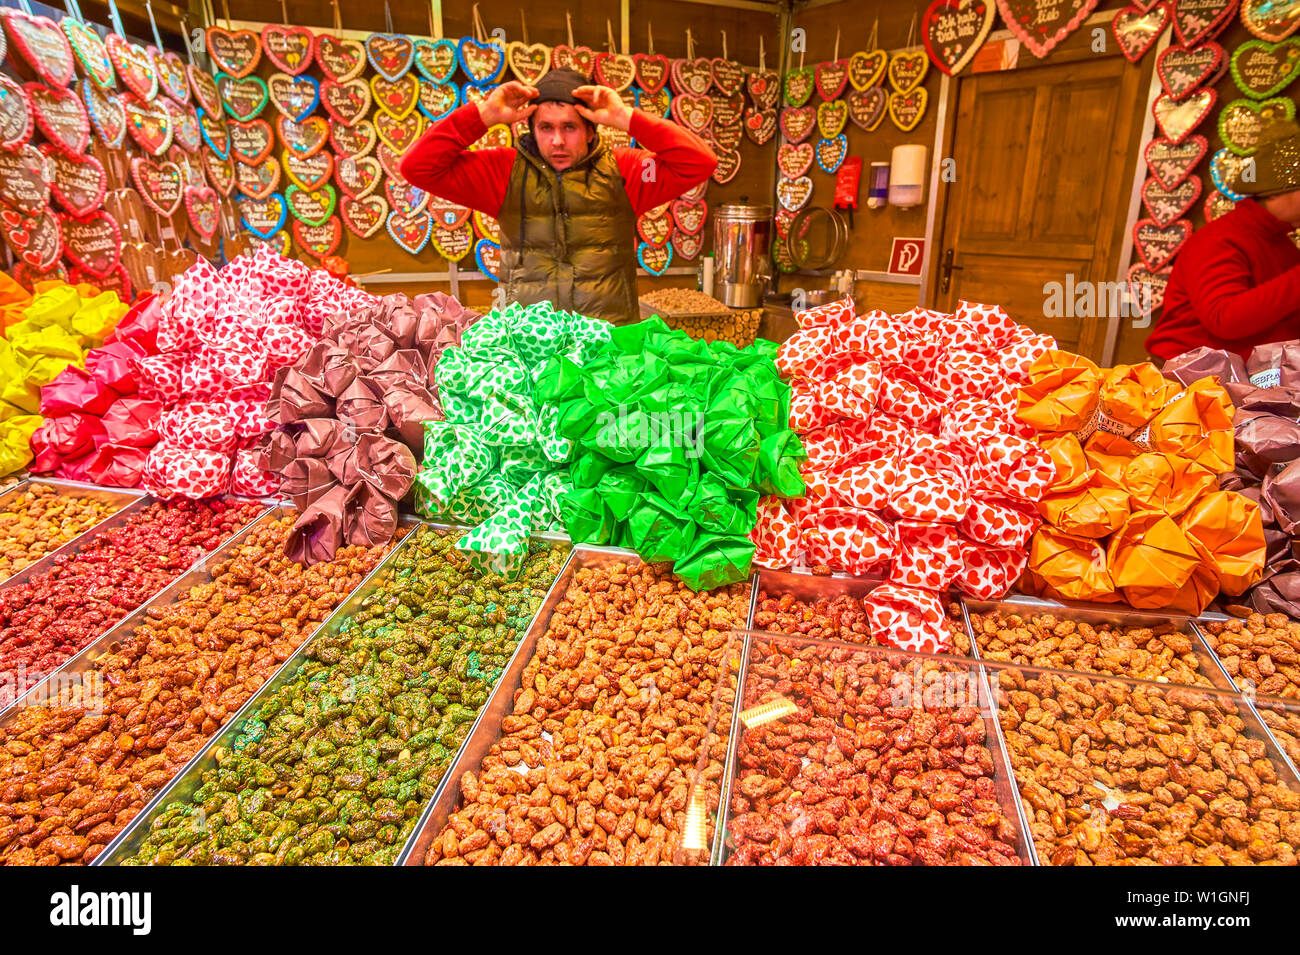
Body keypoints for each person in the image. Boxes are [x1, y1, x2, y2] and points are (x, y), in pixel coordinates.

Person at [400, 68, 717, 323]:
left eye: (569, 127)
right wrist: (484, 114)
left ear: (591, 129)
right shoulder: (503, 171)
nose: (557, 141)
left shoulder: (631, 171)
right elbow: (418, 167)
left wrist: (626, 118)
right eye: (545, 128)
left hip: (608, 349)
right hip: (531, 349)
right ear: (531, 129)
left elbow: (698, 162)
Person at [1147, 120, 1300, 360]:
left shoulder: (1284, 246)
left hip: (1249, 384)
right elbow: (1224, 319)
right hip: (1193, 386)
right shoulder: (1220, 239)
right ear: (1277, 192)